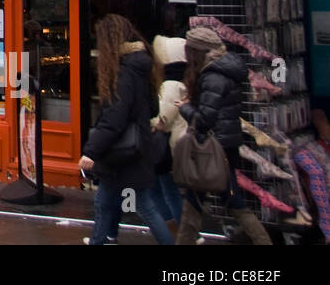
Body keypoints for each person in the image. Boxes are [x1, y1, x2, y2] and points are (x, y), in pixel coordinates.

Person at [78, 14, 174, 245]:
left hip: (122, 152)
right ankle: (100, 240)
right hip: (136, 147)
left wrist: (91, 151)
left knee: (140, 206)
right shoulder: (142, 65)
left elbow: (113, 119)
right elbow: (152, 108)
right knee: (109, 201)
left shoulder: (123, 73)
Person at [175, 26, 272, 245]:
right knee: (201, 201)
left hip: (212, 150)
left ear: (197, 52)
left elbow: (205, 118)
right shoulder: (226, 70)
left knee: (224, 202)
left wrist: (185, 108)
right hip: (224, 146)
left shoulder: (212, 77)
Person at [148, 35, 188, 235]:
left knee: (163, 188)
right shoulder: (181, 82)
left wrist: (147, 120)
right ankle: (176, 228)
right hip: (172, 145)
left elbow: (162, 118)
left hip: (167, 147)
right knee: (165, 187)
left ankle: (177, 229)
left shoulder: (171, 85)